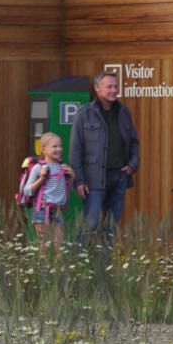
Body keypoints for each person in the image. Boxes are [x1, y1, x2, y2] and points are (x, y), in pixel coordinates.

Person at [64, 65, 141, 243]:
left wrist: (132, 165)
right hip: (94, 180)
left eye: (115, 86)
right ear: (97, 89)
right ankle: (78, 265)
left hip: (119, 177)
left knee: (110, 227)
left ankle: (103, 268)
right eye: (109, 87)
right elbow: (75, 149)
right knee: (89, 225)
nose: (114, 90)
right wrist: (79, 181)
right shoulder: (84, 114)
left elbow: (134, 142)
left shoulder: (123, 112)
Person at [16, 133, 78, 247]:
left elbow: (66, 191)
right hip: (42, 210)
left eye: (60, 146)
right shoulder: (38, 168)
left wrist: (72, 177)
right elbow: (27, 191)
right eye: (54, 146)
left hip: (58, 210)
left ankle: (57, 265)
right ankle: (42, 265)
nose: (59, 149)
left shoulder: (64, 168)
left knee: (59, 247)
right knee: (43, 247)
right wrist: (41, 178)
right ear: (43, 149)